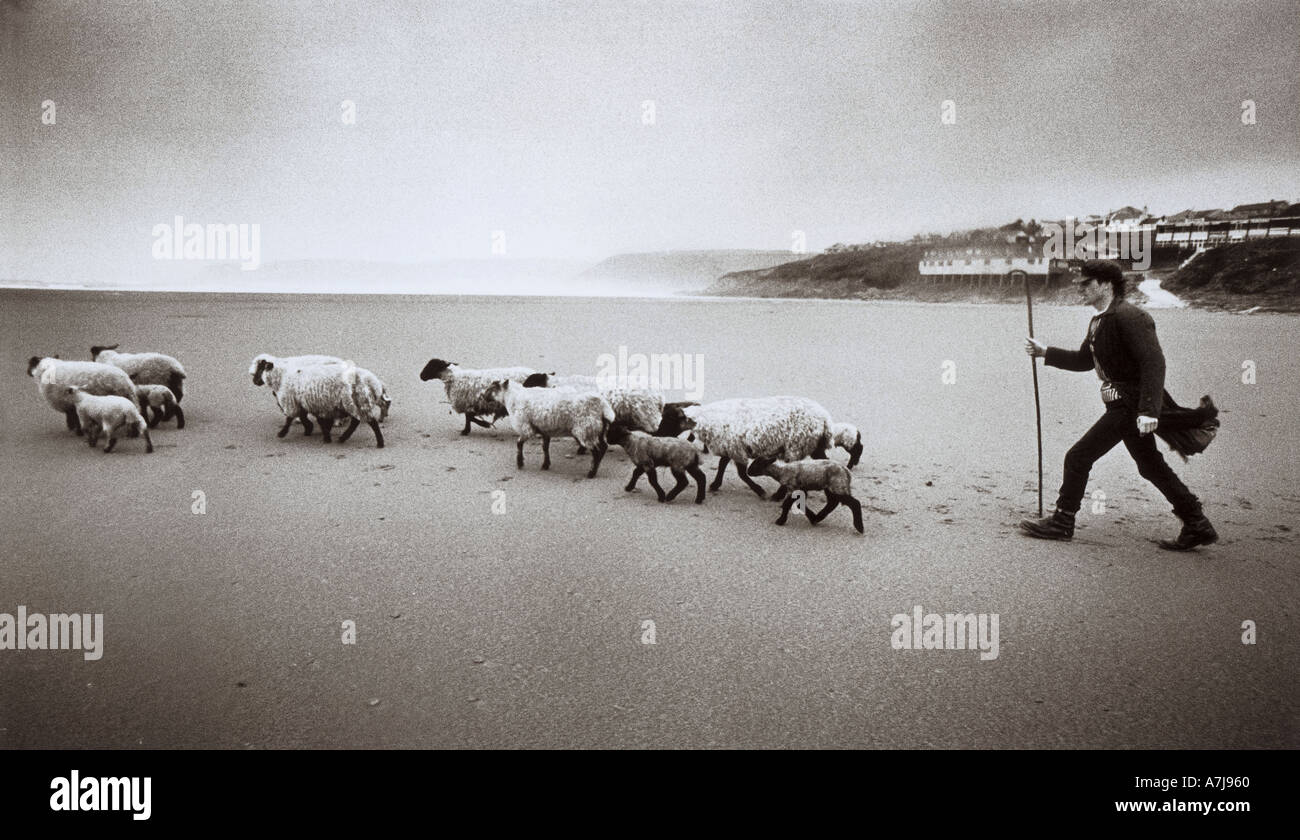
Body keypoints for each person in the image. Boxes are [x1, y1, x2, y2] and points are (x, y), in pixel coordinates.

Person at [1020, 259, 1217, 550]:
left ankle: (1063, 521)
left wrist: (1149, 411)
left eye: (1086, 284)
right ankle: (1197, 523)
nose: (1080, 290)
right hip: (1124, 406)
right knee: (1150, 465)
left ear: (1106, 285)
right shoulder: (1101, 320)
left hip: (1131, 406)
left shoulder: (1130, 316)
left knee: (1078, 457)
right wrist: (1045, 352)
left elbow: (1153, 363)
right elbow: (1084, 361)